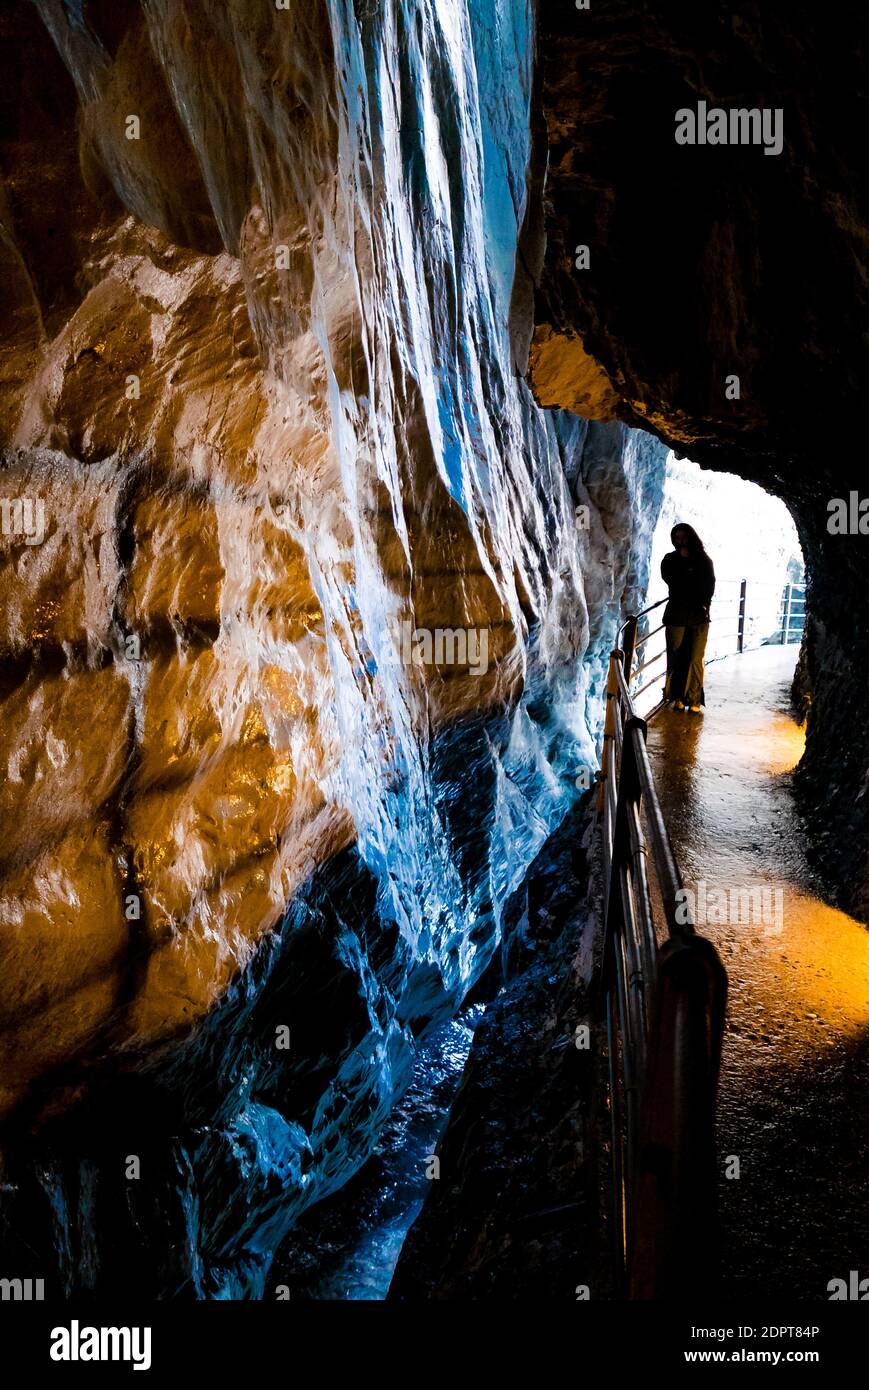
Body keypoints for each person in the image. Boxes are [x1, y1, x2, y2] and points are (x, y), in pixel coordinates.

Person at [661, 523, 715, 712]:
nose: (680, 541)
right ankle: (676, 697)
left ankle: (693, 699)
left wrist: (698, 597)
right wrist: (688, 571)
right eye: (677, 537)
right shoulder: (670, 559)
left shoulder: (703, 560)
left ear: (691, 537)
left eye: (683, 537)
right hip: (676, 615)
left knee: (695, 659)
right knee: (676, 658)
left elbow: (708, 586)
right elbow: (672, 581)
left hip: (699, 616)